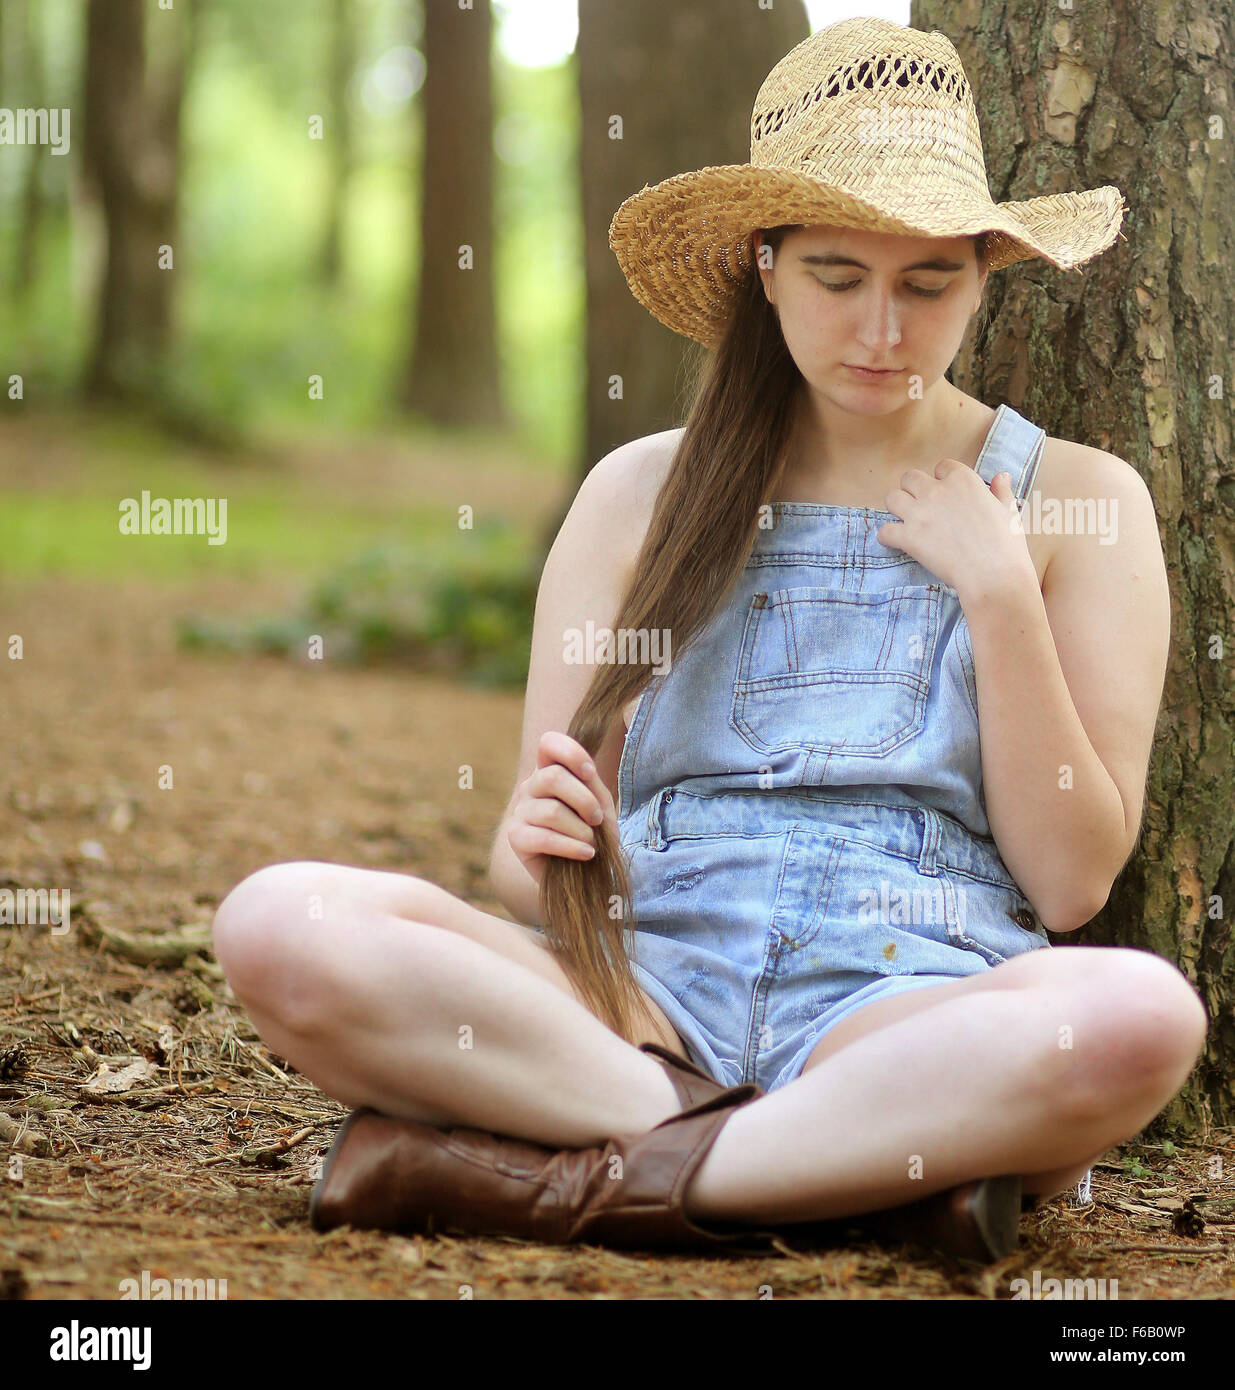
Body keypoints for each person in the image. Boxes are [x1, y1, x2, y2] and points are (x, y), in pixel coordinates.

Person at [210, 19, 1206, 1264]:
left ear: (985, 271)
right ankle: (827, 1171)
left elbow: (1068, 886)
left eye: (927, 283)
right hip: (641, 997)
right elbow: (540, 873)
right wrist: (537, 843)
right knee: (278, 920)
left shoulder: (1075, 498)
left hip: (907, 1013)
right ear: (764, 264)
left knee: (1133, 1017)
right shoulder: (638, 496)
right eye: (837, 278)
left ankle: (581, 1173)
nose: (881, 333)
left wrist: (999, 598)